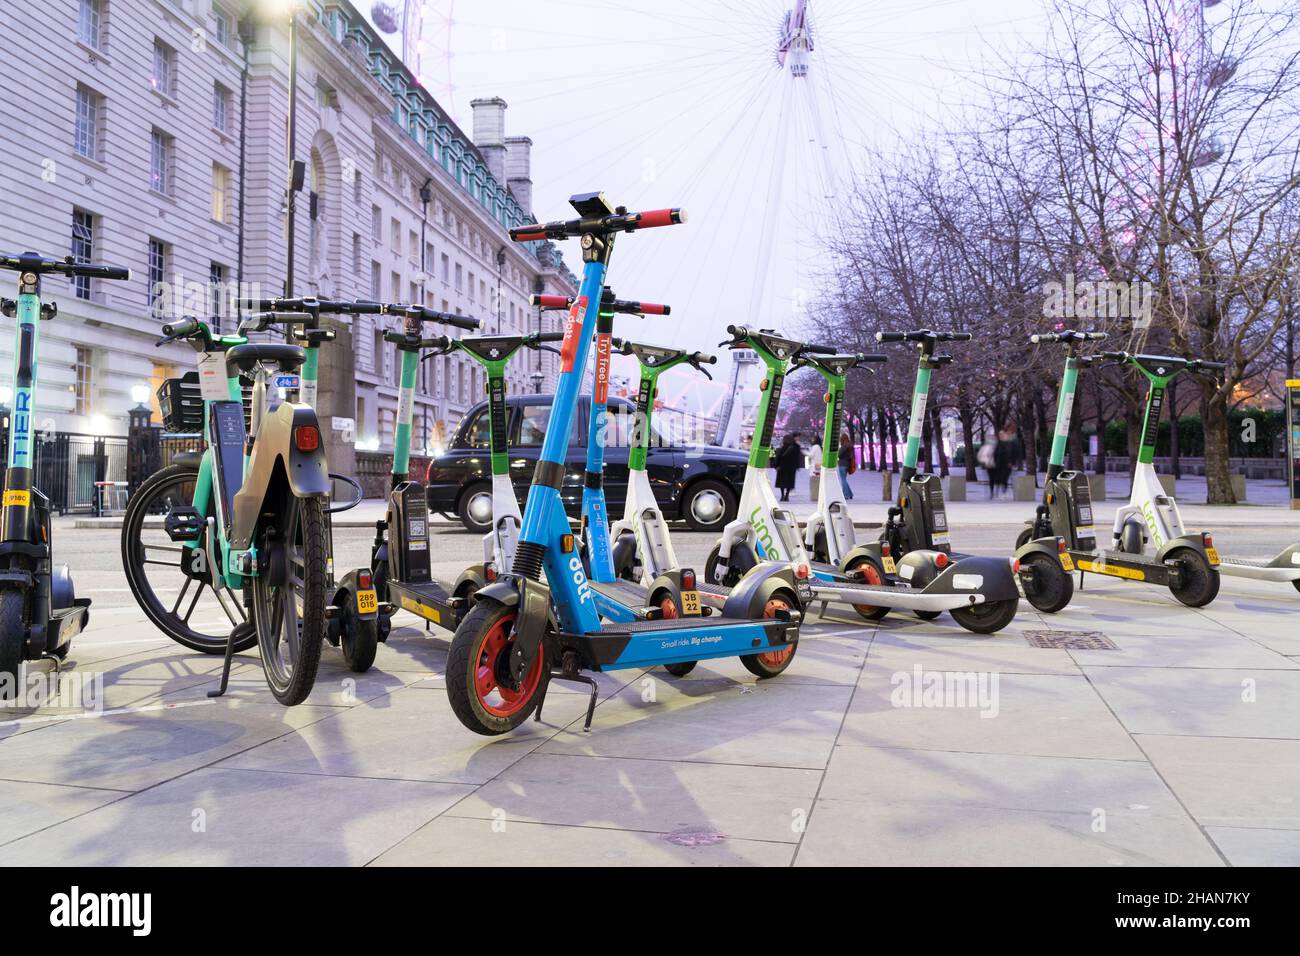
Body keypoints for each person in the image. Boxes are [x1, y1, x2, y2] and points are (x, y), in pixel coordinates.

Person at [773, 433, 803, 502]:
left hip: (782, 468)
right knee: (789, 482)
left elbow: (778, 458)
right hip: (791, 468)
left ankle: (782, 495)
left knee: (782, 482)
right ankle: (787, 495)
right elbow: (797, 458)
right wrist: (797, 466)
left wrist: (776, 466)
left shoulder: (782, 448)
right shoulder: (795, 448)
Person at [837, 432, 856, 500]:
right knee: (844, 480)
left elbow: (839, 455)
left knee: (843, 480)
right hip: (847, 465)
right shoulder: (850, 446)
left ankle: (845, 495)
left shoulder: (844, 446)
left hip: (842, 464)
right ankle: (850, 494)